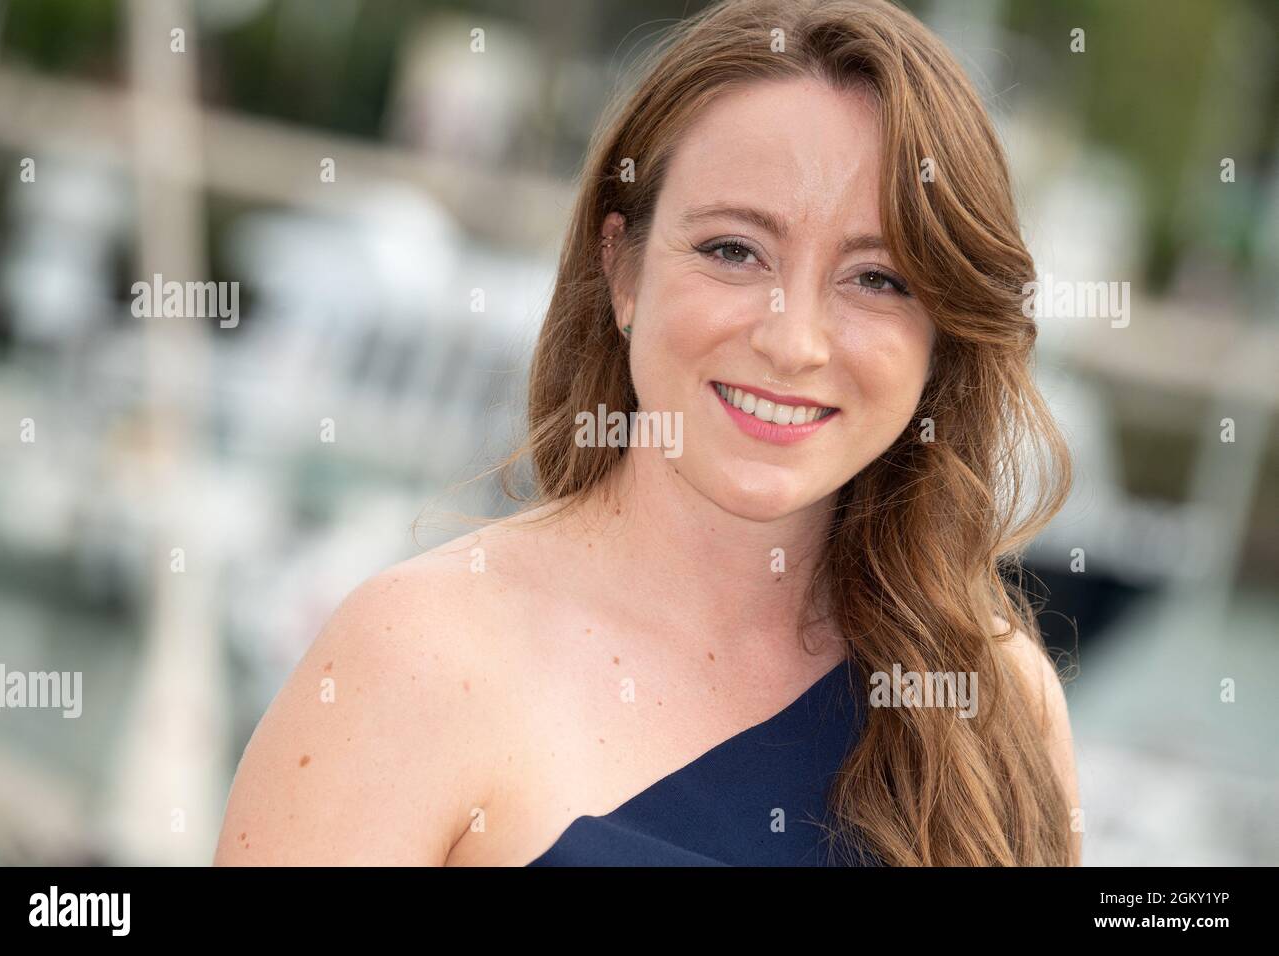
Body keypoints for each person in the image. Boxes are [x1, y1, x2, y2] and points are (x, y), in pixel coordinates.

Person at [214, 0, 1080, 867]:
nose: (793, 342)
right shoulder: (416, 659)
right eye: (736, 251)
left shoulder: (996, 705)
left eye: (878, 278)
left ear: (942, 333)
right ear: (622, 268)